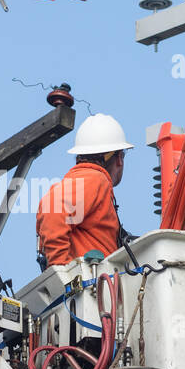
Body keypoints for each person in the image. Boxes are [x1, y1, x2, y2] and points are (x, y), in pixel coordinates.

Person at [36, 113, 134, 268]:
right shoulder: (94, 179)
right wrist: (62, 270)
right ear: (119, 158)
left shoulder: (88, 182)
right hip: (89, 280)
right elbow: (53, 208)